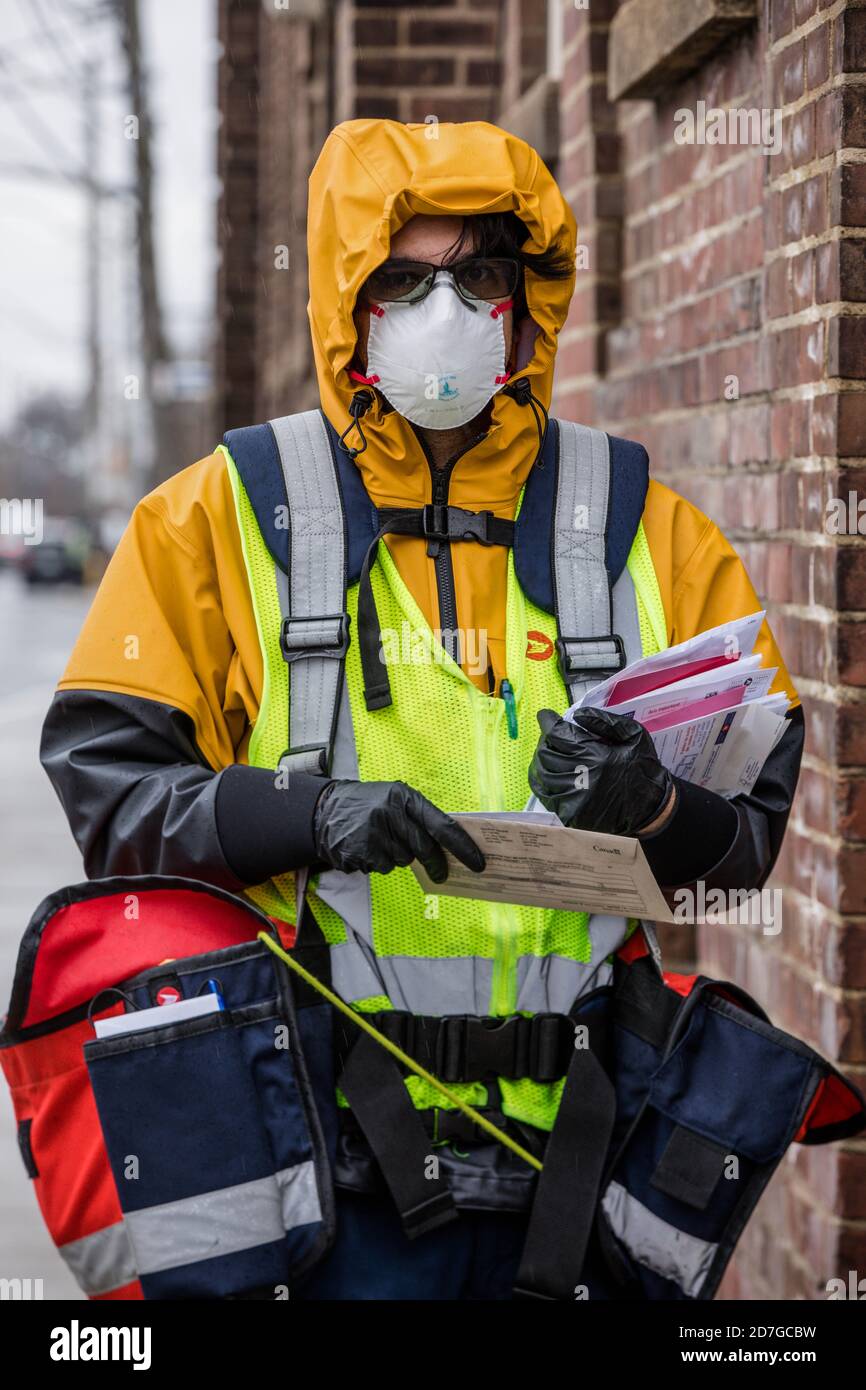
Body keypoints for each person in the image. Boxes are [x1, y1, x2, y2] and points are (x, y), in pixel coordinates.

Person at [41, 119, 803, 1300]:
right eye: (403, 277)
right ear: (351, 298)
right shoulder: (217, 516)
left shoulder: (644, 523)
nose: (442, 308)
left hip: (587, 1166)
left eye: (479, 273)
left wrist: (652, 802)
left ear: (523, 298)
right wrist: (302, 812)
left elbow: (744, 839)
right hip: (326, 1171)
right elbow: (110, 794)